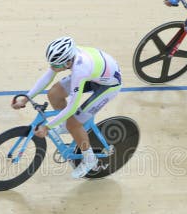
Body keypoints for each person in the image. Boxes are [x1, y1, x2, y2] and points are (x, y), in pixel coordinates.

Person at [11, 36, 122, 179]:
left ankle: (90, 159)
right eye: (52, 64)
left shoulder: (80, 70)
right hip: (95, 75)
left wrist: (47, 127)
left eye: (56, 65)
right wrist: (26, 98)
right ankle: (67, 125)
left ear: (69, 61)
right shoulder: (69, 57)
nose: (53, 68)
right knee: (54, 93)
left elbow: (72, 106)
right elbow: (47, 77)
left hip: (109, 86)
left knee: (73, 123)